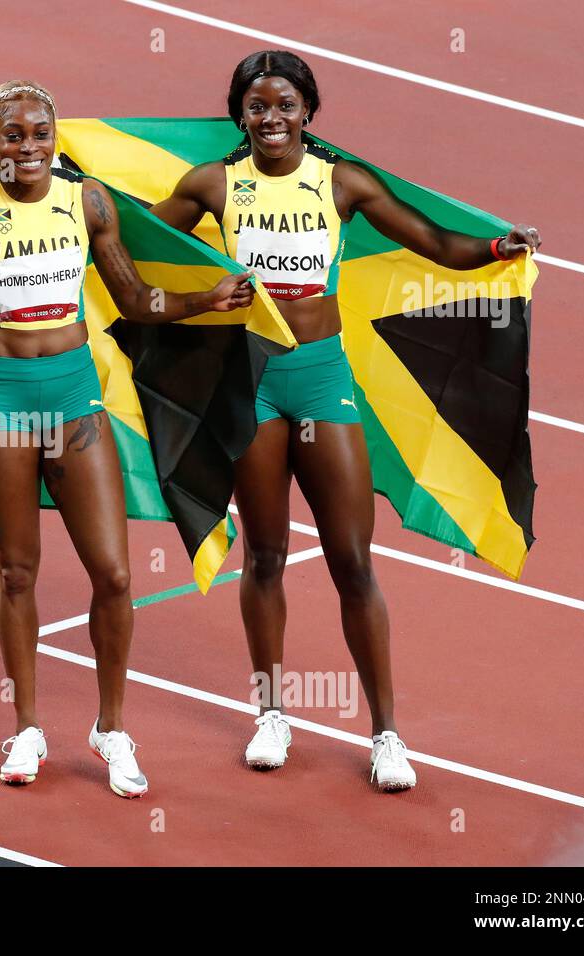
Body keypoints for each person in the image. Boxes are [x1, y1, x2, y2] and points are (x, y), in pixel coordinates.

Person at [152, 51, 541, 790]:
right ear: (239, 114)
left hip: (321, 377)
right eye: (258, 107)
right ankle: (272, 714)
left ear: (309, 112)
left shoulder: (342, 183)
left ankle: (387, 734)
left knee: (352, 563)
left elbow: (435, 245)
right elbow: (135, 243)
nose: (272, 120)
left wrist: (499, 246)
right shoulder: (211, 184)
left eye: (286, 106)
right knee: (264, 556)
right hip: (251, 383)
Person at [0, 80, 254, 798]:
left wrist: (207, 299)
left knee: (113, 573)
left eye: (39, 132)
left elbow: (134, 300)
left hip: (76, 398)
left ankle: (111, 729)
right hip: (4, 404)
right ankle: (27, 727)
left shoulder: (88, 201)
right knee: (18, 571)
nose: (29, 146)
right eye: (13, 135)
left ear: (54, 135)